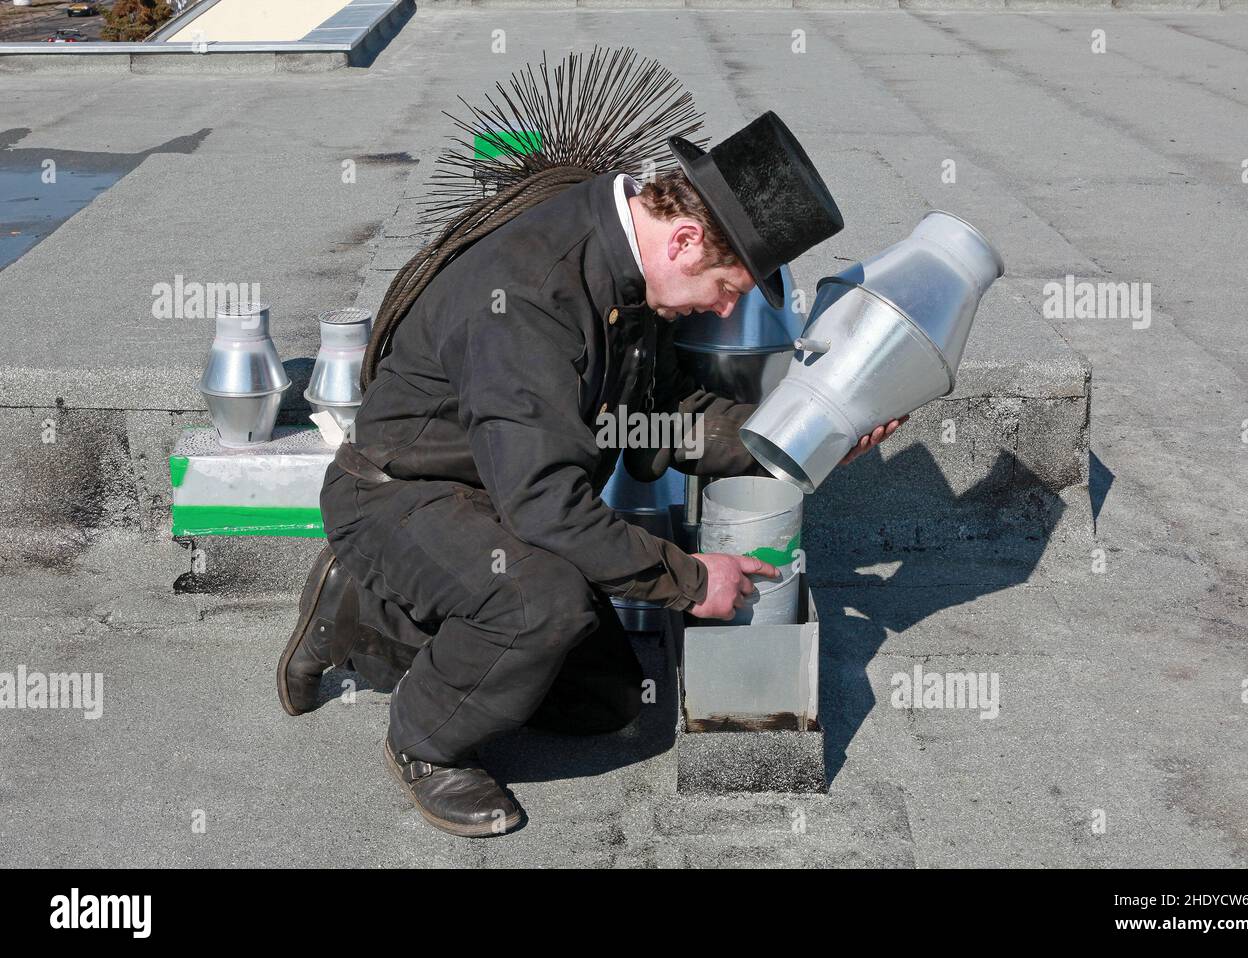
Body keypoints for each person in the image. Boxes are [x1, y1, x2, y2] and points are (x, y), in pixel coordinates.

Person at [276, 112, 905, 838]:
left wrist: (803, 442)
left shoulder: (625, 272)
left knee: (605, 702)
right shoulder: (533, 297)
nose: (726, 307)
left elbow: (657, 422)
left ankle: (370, 613)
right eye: (731, 286)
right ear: (686, 238)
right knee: (542, 607)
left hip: (497, 497)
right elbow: (546, 505)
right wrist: (695, 581)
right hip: (402, 497)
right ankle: (423, 740)